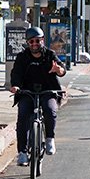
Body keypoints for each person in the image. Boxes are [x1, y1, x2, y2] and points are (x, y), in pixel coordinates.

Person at [9, 26, 65, 165]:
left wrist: (59, 70)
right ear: (28, 43)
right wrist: (15, 86)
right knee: (23, 117)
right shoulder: (22, 57)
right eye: (31, 41)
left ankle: (50, 139)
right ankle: (22, 152)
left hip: (48, 91)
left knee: (50, 110)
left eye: (37, 41)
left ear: (42, 41)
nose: (35, 44)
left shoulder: (50, 55)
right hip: (27, 92)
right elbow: (16, 73)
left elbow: (62, 69)